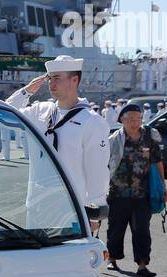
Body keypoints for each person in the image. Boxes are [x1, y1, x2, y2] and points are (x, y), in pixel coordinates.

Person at [7, 56, 110, 235]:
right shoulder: (41, 111)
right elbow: (7, 114)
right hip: (37, 206)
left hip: (70, 210)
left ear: (74, 80)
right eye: (49, 79)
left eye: (57, 78)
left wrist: (94, 213)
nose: (51, 84)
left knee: (68, 261)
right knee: (36, 261)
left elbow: (97, 171)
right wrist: (27, 91)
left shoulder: (92, 121)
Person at [105, 103, 165, 277]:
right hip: (117, 193)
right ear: (122, 120)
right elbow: (104, 165)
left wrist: (162, 186)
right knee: (115, 229)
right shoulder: (113, 140)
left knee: (142, 231)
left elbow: (157, 162)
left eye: (138, 119)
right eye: (131, 119)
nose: (135, 122)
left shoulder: (149, 139)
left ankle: (142, 264)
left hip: (142, 194)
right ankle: (111, 259)